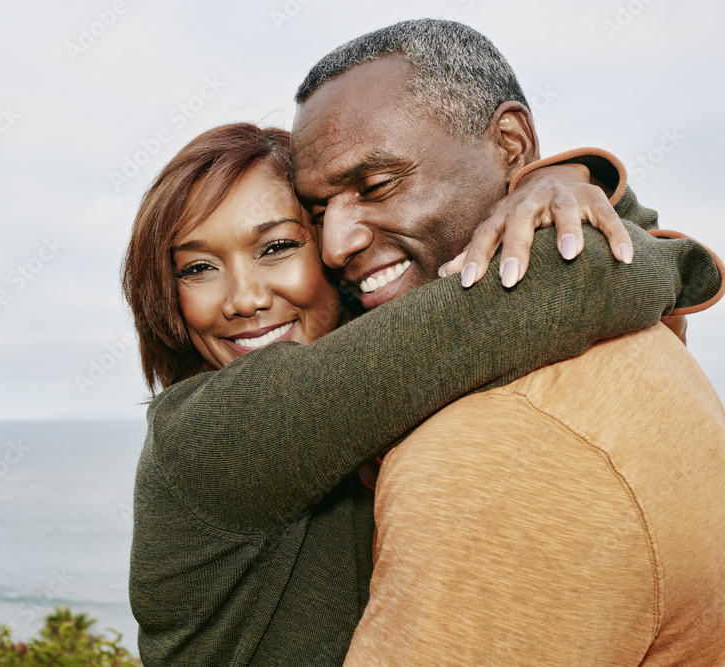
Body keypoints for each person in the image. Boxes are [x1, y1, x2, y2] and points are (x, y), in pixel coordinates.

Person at [123, 122, 722, 664]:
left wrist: (556, 188)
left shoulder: (380, 400)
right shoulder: (210, 438)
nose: (244, 299)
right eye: (197, 267)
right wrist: (570, 193)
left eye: (277, 247)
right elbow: (584, 275)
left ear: (336, 250)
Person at [287, 20, 725, 664]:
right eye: (318, 213)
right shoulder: (611, 335)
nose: (336, 244)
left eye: (377, 186)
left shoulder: (494, 444)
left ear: (511, 144)